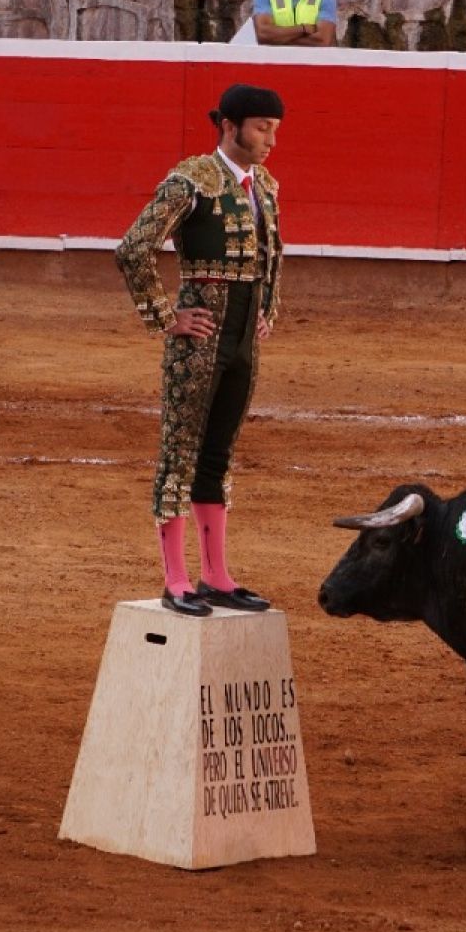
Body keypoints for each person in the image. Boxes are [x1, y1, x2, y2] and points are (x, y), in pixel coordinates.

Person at [115, 84, 288, 617]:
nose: (270, 141)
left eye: (275, 130)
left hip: (241, 338)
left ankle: (216, 575)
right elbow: (133, 248)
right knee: (180, 453)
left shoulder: (265, 185)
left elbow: (271, 255)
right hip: (200, 334)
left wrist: (267, 309)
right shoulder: (192, 179)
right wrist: (167, 318)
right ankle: (176, 579)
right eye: (262, 128)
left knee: (218, 454)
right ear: (229, 126)